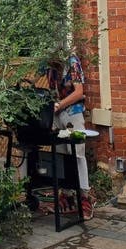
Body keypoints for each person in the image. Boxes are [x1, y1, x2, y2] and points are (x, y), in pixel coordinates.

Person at [47, 53, 94, 221]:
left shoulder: (72, 61)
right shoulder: (50, 68)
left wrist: (59, 105)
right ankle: (66, 196)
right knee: (61, 155)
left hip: (73, 113)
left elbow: (79, 92)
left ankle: (84, 197)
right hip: (57, 115)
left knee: (77, 154)